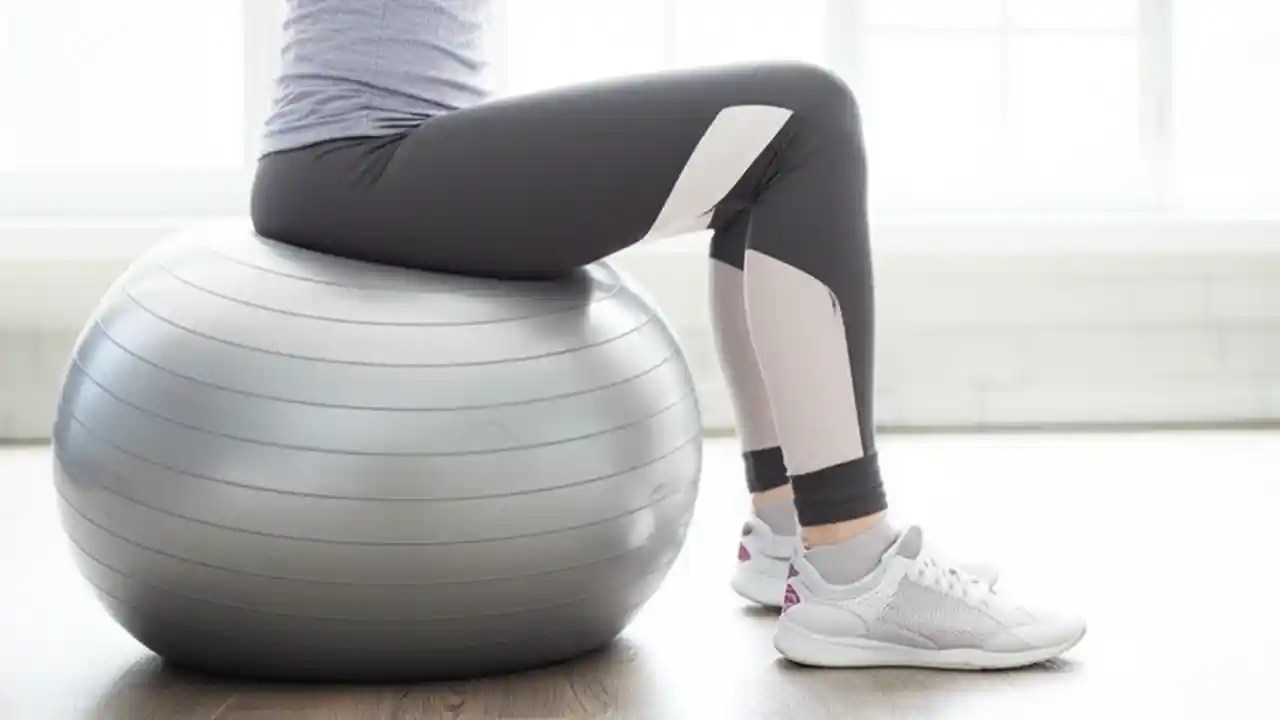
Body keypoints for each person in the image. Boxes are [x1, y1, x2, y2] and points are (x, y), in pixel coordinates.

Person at [251, 0, 1084, 669]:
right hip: (362, 165)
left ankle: (792, 530)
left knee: (761, 161)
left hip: (362, 163)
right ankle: (855, 566)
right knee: (809, 116)